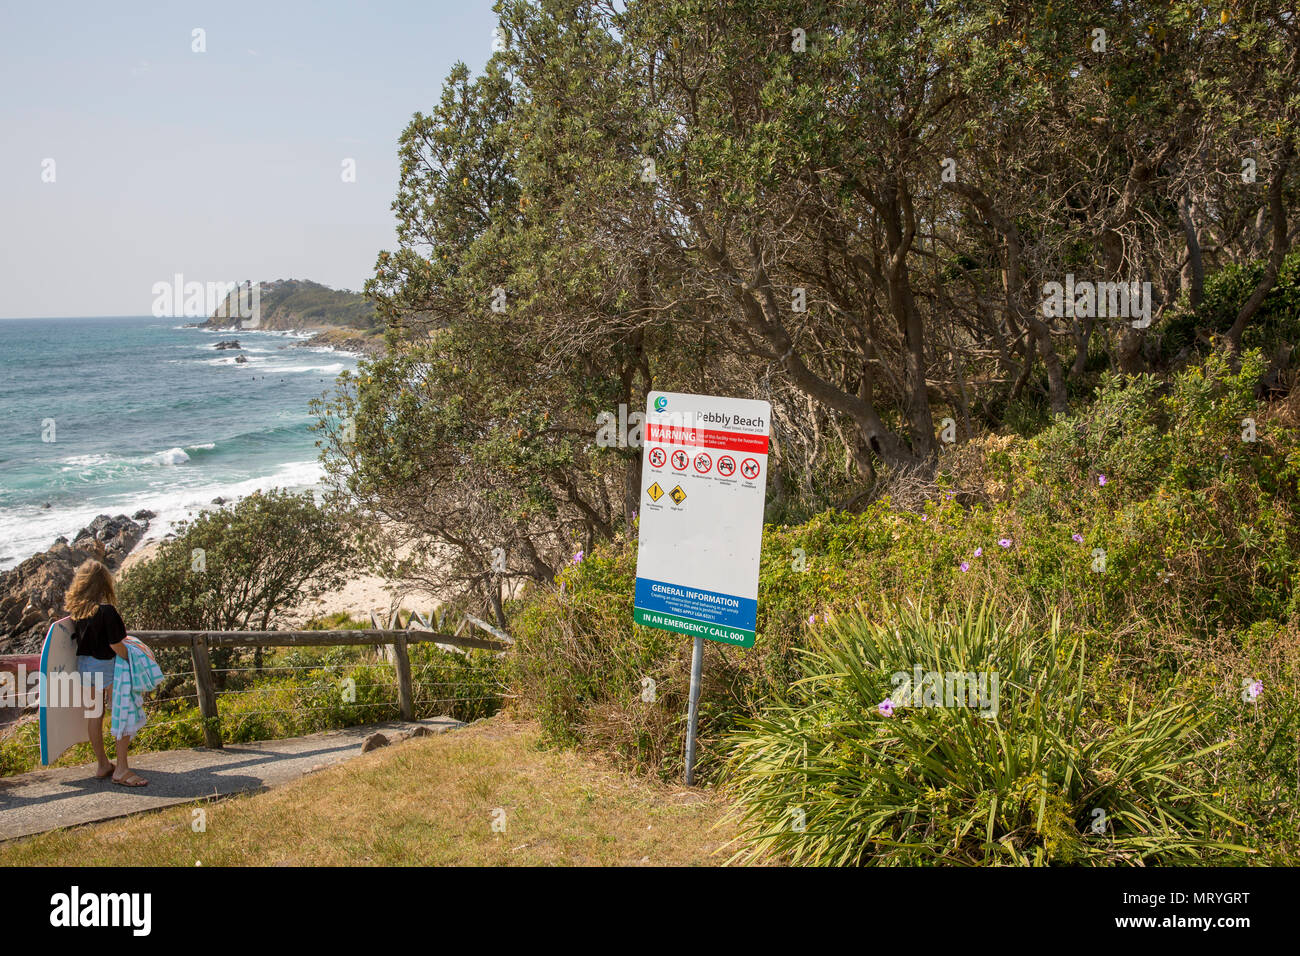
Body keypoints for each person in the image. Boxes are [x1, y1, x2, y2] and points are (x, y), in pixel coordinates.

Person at [65, 559, 147, 786]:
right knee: (122, 713)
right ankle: (121, 769)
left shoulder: (77, 613)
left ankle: (102, 764)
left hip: (86, 667)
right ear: (103, 584)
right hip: (109, 668)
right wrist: (132, 659)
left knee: (95, 716)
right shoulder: (107, 611)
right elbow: (116, 645)